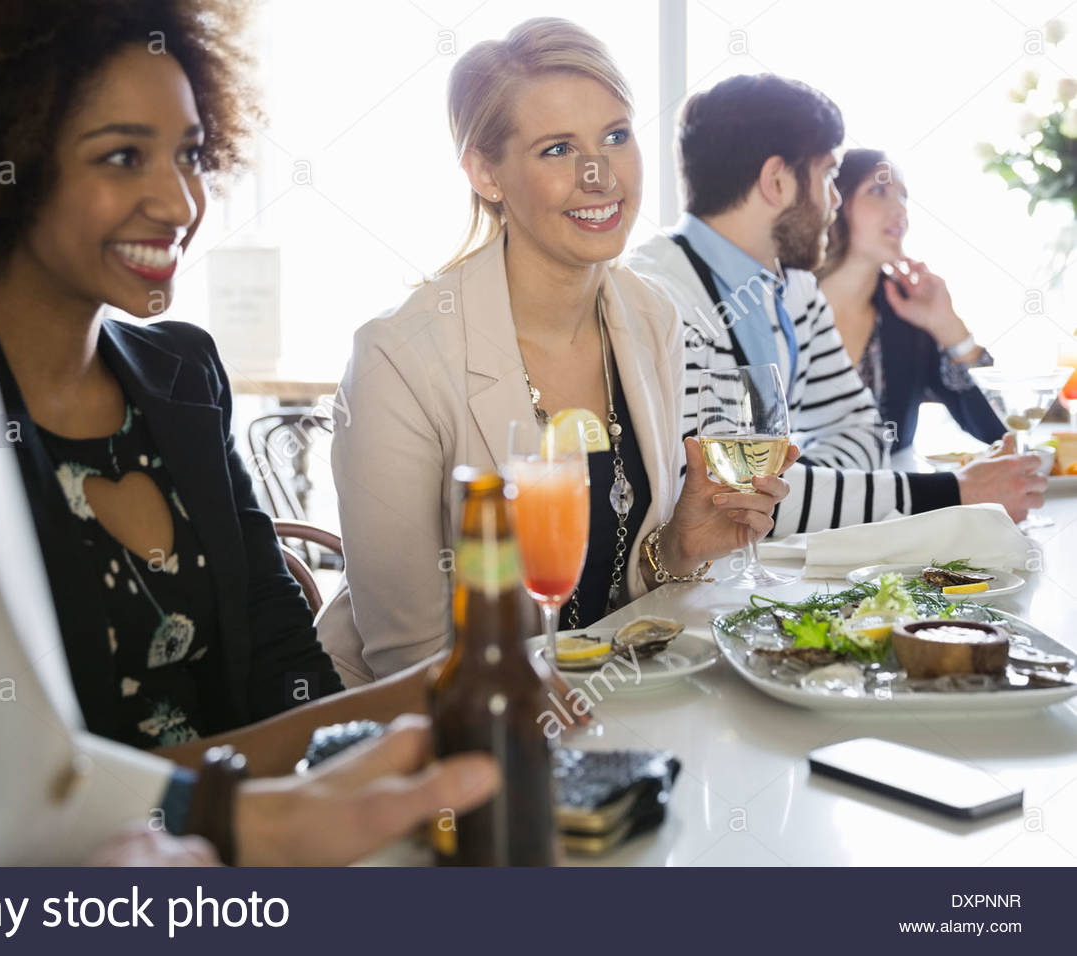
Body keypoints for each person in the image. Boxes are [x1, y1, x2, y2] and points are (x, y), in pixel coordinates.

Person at [0, 0, 498, 867]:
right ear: (6, 156)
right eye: (123, 157)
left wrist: (425, 706)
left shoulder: (182, 374)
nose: (178, 199)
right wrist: (414, 700)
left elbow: (283, 672)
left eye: (190, 155)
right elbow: (32, 787)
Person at [318, 19, 797, 686]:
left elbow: (619, 597)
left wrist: (677, 549)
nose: (598, 175)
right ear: (486, 172)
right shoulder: (399, 359)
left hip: (604, 706)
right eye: (556, 150)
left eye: (615, 137)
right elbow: (412, 658)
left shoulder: (652, 315)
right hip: (431, 739)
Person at [627, 74, 1043, 533]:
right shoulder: (662, 298)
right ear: (776, 181)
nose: (834, 198)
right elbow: (716, 499)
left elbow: (859, 433)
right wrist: (953, 493)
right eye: (827, 174)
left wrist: (790, 490)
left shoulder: (795, 287)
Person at [815, 149, 1003, 452]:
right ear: (832, 200)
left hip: (896, 499)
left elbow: (998, 430)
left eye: (903, 197)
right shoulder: (782, 302)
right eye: (878, 191)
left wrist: (949, 327)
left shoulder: (906, 314)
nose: (900, 211)